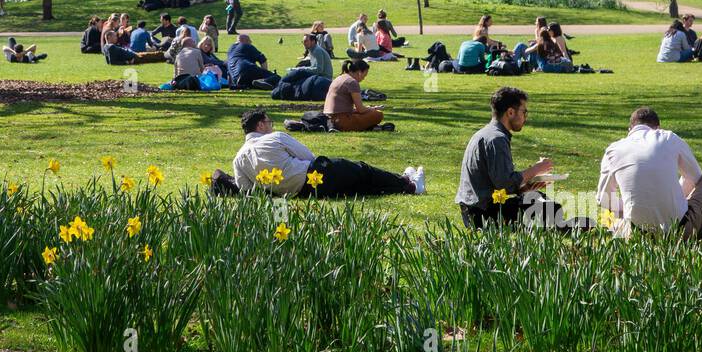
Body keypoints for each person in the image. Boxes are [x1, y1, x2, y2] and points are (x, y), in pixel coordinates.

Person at [456, 87, 584, 230]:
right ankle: (566, 229)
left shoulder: (486, 134)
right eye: (524, 112)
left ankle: (563, 226)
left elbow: (499, 183)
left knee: (537, 198)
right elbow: (505, 184)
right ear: (510, 112)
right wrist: (536, 169)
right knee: (545, 207)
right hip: (484, 216)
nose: (525, 117)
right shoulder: (496, 139)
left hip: (474, 211)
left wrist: (525, 187)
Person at [596, 106, 702, 240]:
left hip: (639, 235)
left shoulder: (613, 150)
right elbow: (696, 178)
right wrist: (676, 199)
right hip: (681, 229)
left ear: (629, 130)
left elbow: (603, 199)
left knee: (616, 223)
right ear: (658, 127)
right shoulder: (668, 137)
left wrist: (629, 209)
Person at [226, 110, 423, 198]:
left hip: (298, 194)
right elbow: (308, 155)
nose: (271, 126)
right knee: (362, 171)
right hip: (313, 176)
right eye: (269, 122)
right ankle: (408, 182)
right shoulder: (274, 138)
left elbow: (246, 190)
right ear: (260, 125)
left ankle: (406, 186)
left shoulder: (238, 159)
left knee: (357, 189)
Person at [324, 59, 390, 131]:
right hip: (342, 122)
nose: (363, 79)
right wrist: (373, 109)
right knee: (378, 114)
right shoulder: (352, 82)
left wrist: (368, 108)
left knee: (367, 113)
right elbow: (360, 109)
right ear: (359, 72)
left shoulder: (339, 77)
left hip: (329, 119)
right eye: (364, 75)